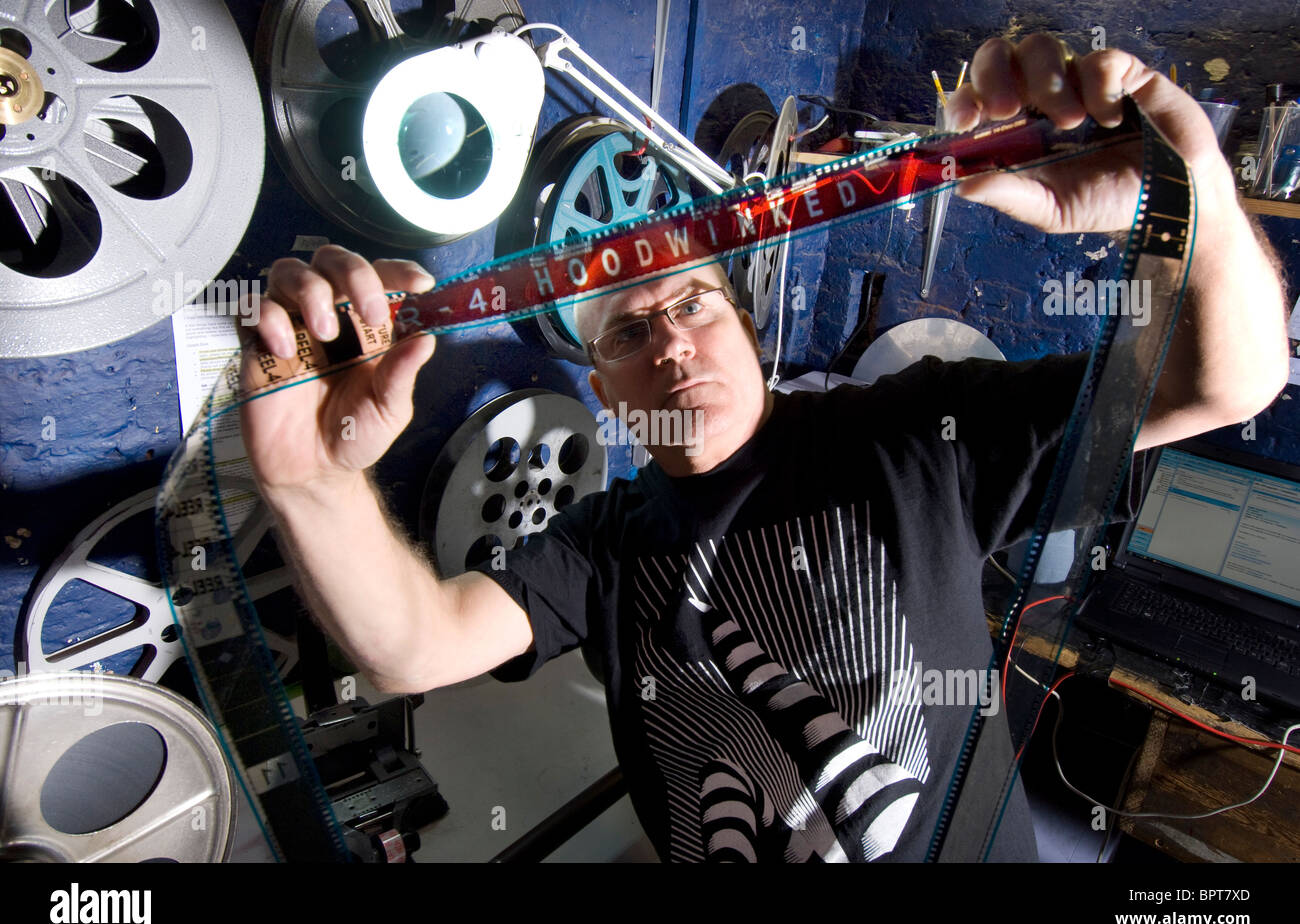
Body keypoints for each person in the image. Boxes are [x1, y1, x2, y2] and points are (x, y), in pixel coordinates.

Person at [240, 35, 1289, 861]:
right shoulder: (598, 548)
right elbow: (411, 646)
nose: (671, 343)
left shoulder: (913, 430)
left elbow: (1224, 382)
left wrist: (1185, 189)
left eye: (693, 302)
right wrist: (307, 479)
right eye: (629, 332)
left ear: (747, 327)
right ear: (603, 387)